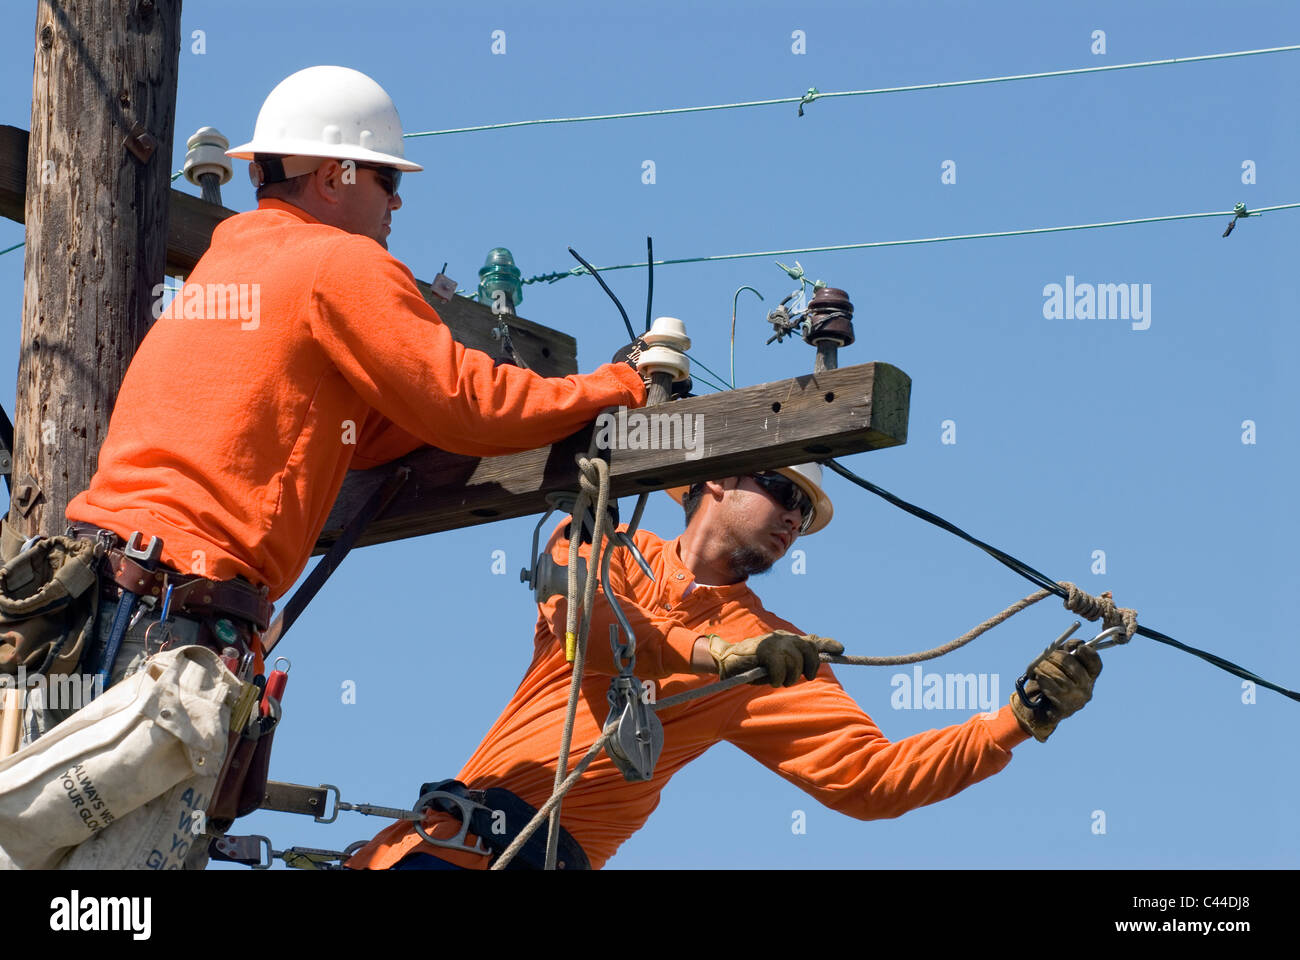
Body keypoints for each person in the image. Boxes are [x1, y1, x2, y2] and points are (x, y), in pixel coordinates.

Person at [4, 65, 644, 867]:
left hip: (78, 612)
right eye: (386, 178)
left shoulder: (227, 261)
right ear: (337, 174)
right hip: (165, 623)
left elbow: (344, 427)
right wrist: (615, 386)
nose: (397, 202)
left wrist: (420, 414)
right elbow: (463, 400)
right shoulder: (342, 265)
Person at [348, 463, 1102, 870]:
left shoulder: (773, 653)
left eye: (803, 516)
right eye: (781, 492)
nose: (793, 520)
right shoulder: (616, 548)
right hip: (430, 843)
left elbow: (867, 782)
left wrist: (1015, 720)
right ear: (715, 479)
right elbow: (590, 618)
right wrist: (712, 655)